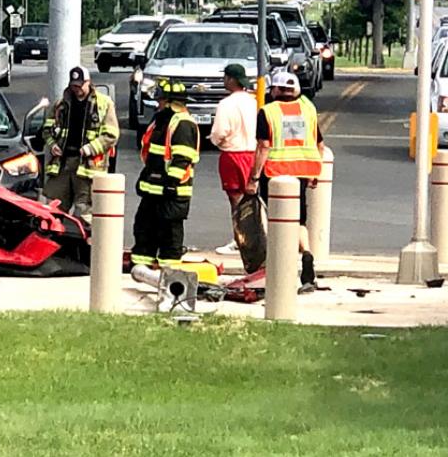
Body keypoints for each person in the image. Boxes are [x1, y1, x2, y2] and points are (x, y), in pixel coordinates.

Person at [245, 70, 323, 291]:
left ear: (275, 90)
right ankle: (307, 257)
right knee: (299, 221)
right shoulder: (308, 109)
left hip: (276, 173)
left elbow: (263, 147)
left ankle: (282, 267)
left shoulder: (268, 112)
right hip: (303, 171)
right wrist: (314, 173)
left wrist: (254, 177)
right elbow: (319, 145)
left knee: (278, 222)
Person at [131, 78, 200, 270]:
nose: (158, 104)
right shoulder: (162, 120)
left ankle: (169, 274)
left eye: (161, 100)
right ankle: (141, 269)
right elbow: (154, 154)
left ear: (170, 102)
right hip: (153, 191)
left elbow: (183, 157)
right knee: (144, 230)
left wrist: (171, 183)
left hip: (173, 193)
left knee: (169, 235)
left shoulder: (183, 123)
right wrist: (144, 178)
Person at [41, 66, 119, 223]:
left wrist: (90, 148)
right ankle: (58, 244)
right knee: (54, 209)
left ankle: (85, 245)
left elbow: (111, 135)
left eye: (80, 85)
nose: (76, 89)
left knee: (84, 211)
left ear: (88, 82)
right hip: (62, 164)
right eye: (73, 85)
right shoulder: (61, 105)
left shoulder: (104, 104)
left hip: (88, 166)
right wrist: (53, 144)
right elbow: (46, 130)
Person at [210, 63, 258, 256]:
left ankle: (240, 238)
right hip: (252, 153)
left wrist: (215, 140)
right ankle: (254, 236)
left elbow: (220, 131)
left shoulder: (226, 104)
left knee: (236, 199)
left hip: (233, 154)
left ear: (230, 79)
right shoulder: (254, 102)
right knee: (252, 199)